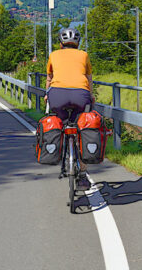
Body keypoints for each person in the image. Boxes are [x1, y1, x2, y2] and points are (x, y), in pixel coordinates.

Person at [44, 27, 94, 187]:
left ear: (60, 44)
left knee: (61, 123)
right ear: (78, 43)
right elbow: (88, 78)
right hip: (81, 95)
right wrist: (91, 95)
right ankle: (83, 173)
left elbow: (49, 78)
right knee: (81, 128)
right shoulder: (84, 55)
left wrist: (47, 94)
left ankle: (60, 152)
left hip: (57, 96)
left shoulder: (53, 55)